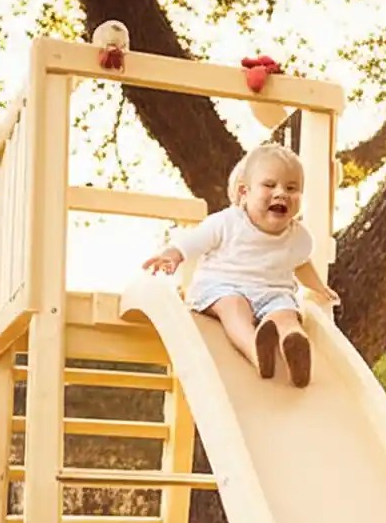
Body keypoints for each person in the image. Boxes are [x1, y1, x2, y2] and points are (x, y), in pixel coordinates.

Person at [142, 143, 338, 387]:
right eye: (269, 185)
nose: (281, 193)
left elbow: (301, 264)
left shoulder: (298, 236)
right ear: (244, 192)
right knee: (234, 308)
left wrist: (320, 288)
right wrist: (173, 254)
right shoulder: (227, 222)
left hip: (271, 293)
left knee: (286, 314)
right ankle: (257, 353)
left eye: (292, 188)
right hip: (223, 287)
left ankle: (294, 344)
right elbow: (194, 240)